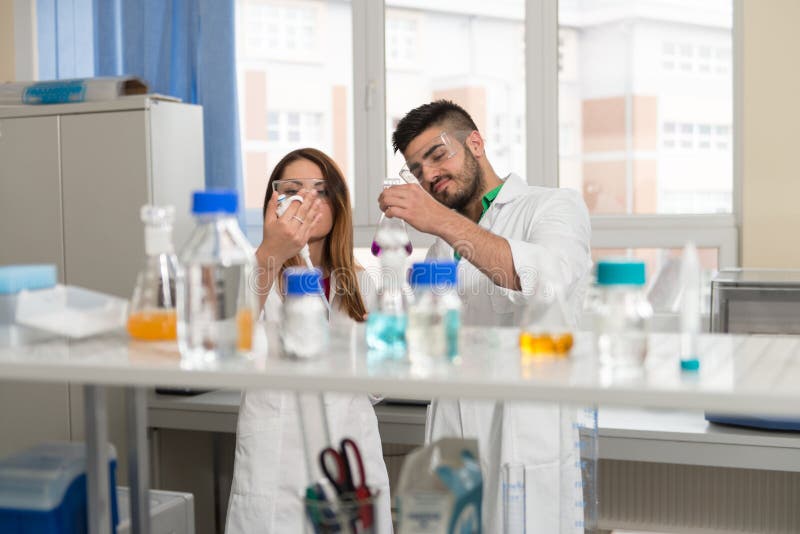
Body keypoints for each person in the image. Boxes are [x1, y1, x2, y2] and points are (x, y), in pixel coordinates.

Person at [379, 100, 592, 532]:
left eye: (438, 156)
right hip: (454, 443)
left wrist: (439, 220)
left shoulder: (552, 207)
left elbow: (542, 278)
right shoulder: (442, 247)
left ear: (475, 143)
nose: (430, 176)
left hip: (525, 435)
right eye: (417, 171)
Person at [226, 148, 392, 533]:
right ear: (274, 205)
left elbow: (379, 386)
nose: (308, 200)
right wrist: (269, 255)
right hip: (277, 465)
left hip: (350, 459)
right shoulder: (254, 273)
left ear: (338, 205)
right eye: (294, 190)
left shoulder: (361, 283)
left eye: (321, 190)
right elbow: (231, 346)